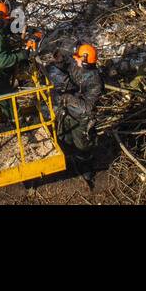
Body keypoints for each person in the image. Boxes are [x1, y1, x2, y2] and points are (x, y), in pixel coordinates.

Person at [50, 43, 103, 185]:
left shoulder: (95, 82)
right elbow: (67, 64)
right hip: (68, 112)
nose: (76, 59)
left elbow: (87, 107)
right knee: (64, 136)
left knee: (82, 145)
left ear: (85, 61)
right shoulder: (78, 65)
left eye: (78, 58)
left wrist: (68, 98)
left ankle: (86, 168)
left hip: (82, 118)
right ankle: (68, 161)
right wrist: (58, 57)